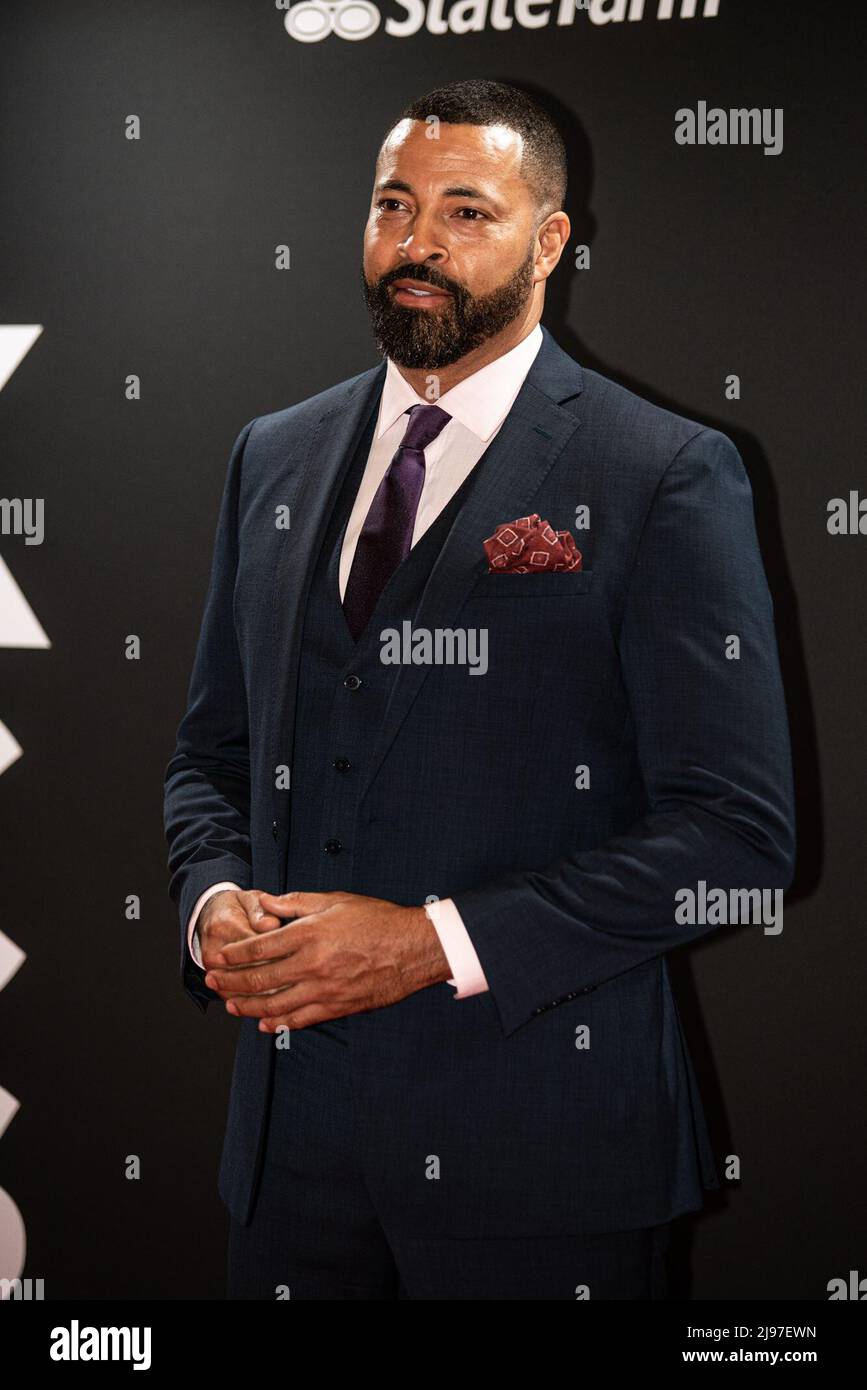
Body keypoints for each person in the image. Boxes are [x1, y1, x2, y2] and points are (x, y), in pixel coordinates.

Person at [163, 78, 795, 1300]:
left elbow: (740, 836)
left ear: (550, 241)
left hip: (546, 1168)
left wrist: (427, 944)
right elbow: (210, 755)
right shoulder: (273, 453)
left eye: (466, 213)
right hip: (288, 1164)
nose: (418, 245)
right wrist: (211, 901)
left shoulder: (664, 472)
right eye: (394, 206)